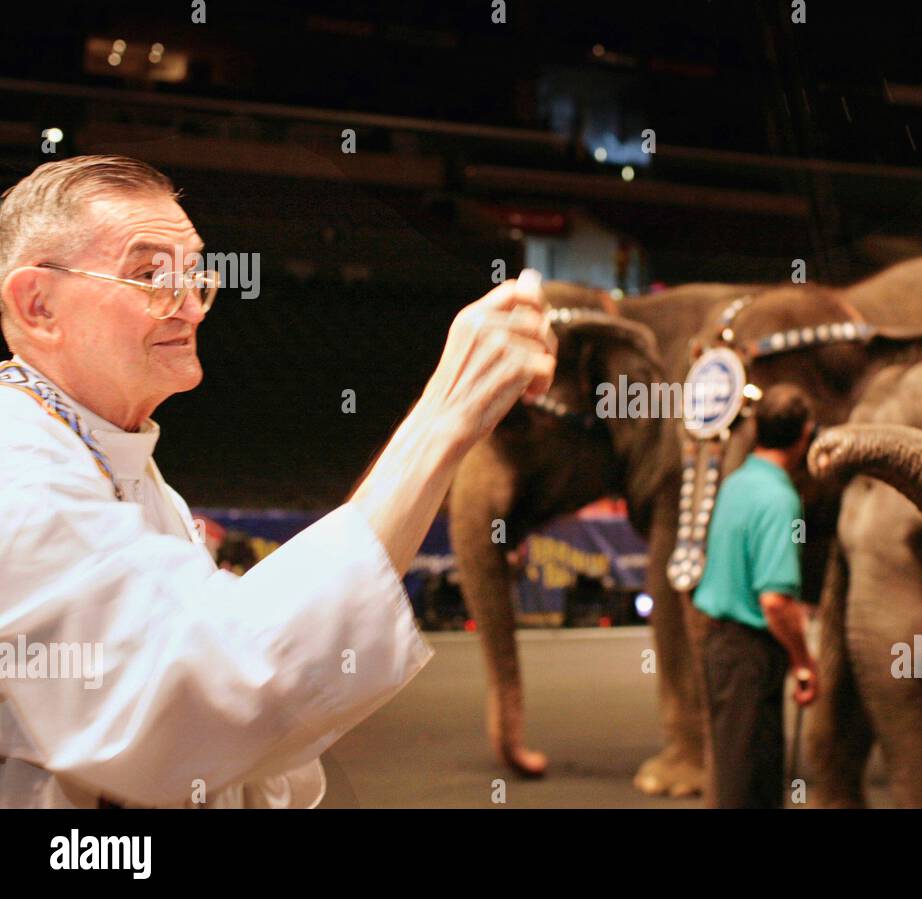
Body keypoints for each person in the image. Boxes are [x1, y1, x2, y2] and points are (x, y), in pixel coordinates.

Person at [0, 155, 556, 808]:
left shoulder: (119, 462)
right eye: (151, 275)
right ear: (38, 304)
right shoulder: (19, 463)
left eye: (195, 277)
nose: (189, 308)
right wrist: (443, 416)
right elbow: (191, 707)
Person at [692, 383, 819, 809]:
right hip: (750, 653)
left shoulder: (736, 483)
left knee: (740, 773)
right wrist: (804, 660)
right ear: (805, 435)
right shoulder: (780, 499)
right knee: (749, 786)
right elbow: (775, 601)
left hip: (721, 647)